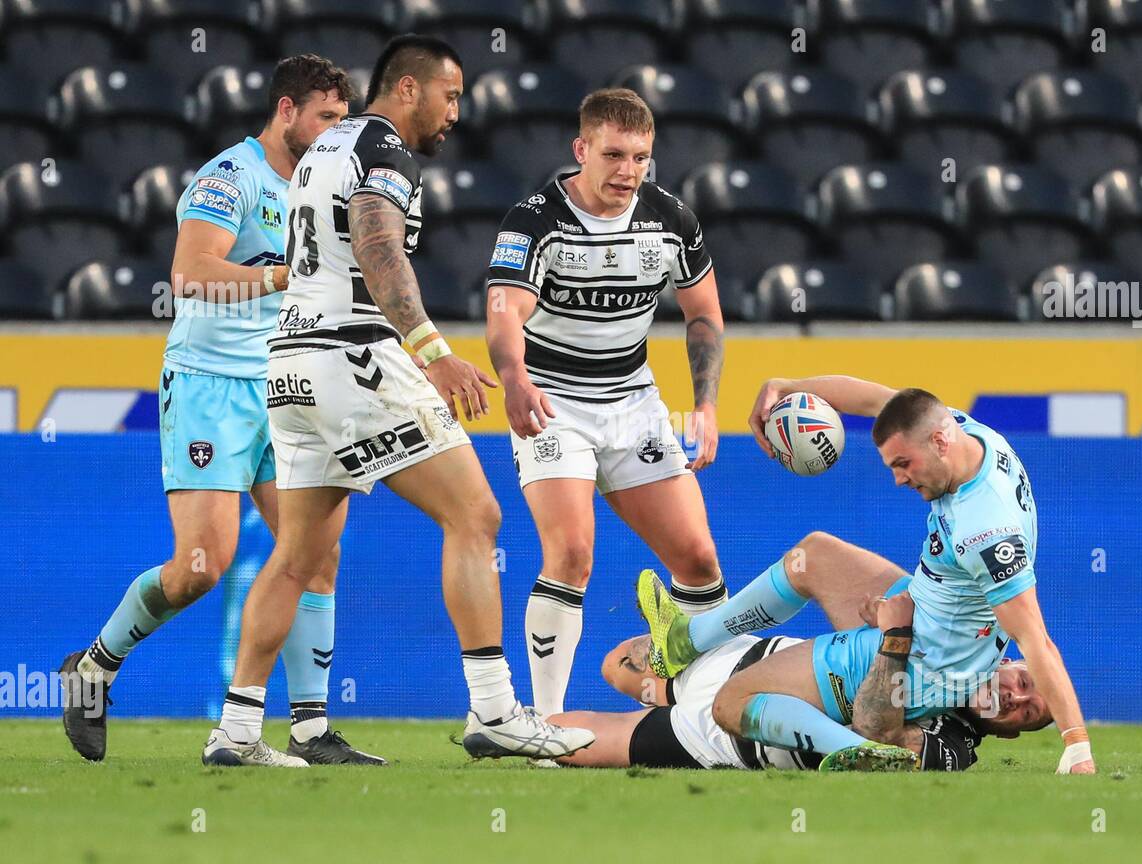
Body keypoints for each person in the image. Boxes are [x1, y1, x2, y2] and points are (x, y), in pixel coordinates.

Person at [201, 35, 594, 767]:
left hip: (290, 362)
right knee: (475, 515)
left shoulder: (325, 145)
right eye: (450, 96)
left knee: (295, 555)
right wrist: (435, 352)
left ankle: (237, 731)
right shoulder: (384, 147)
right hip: (356, 354)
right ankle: (495, 710)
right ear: (408, 90)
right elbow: (378, 243)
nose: (456, 113)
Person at [58, 56, 378, 764]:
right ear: (286, 110)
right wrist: (281, 274)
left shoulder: (327, 188)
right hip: (211, 385)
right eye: (324, 119)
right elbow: (190, 277)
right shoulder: (229, 176)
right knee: (202, 565)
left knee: (316, 555)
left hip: (288, 387)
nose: (333, 136)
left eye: (342, 124)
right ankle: (95, 667)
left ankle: (310, 730)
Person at [643, 383, 1095, 775]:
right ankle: (686, 640)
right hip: (925, 608)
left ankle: (860, 750)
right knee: (814, 556)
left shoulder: (986, 531)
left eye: (903, 464)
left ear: (938, 443)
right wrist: (790, 384)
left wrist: (1077, 745)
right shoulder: (969, 434)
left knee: (730, 704)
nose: (899, 480)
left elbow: (1036, 638)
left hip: (924, 661)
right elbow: (876, 399)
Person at [484, 88, 729, 717]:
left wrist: (704, 406)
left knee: (699, 561)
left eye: (640, 157)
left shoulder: (670, 218)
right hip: (552, 402)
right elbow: (507, 312)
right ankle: (543, 722)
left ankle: (699, 712)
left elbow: (702, 314)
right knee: (571, 552)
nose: (627, 171)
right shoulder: (534, 220)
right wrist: (513, 379)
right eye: (613, 154)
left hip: (633, 404)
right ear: (581, 149)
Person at [552, 586, 1047, 772]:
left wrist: (893, 636)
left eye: (1026, 715)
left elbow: (889, 743)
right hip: (751, 655)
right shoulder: (962, 642)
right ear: (1010, 662)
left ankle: (523, 730)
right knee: (616, 666)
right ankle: (673, 669)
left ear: (1009, 732)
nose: (1015, 698)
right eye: (1024, 683)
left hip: (728, 739)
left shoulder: (957, 743)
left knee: (567, 739)